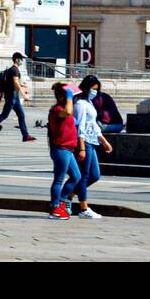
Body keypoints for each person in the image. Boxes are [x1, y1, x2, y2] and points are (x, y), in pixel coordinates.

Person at [69, 75, 113, 218]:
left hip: (92, 141)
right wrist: (81, 148)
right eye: (93, 89)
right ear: (87, 88)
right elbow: (80, 126)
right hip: (84, 142)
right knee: (84, 175)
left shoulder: (89, 102)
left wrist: (103, 141)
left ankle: (68, 195)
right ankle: (83, 208)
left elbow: (93, 124)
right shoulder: (80, 104)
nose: (95, 92)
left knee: (95, 175)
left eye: (97, 89)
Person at [46, 83, 83, 219]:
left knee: (76, 177)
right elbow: (67, 112)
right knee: (59, 179)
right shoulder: (57, 110)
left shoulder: (62, 108)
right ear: (61, 96)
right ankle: (55, 207)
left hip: (68, 149)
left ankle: (61, 201)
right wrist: (68, 96)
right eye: (71, 97)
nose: (73, 99)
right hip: (61, 149)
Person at [0, 52, 35, 142]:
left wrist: (1, 96)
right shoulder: (14, 70)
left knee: (21, 115)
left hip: (14, 97)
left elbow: (8, 84)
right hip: (12, 97)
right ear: (16, 59)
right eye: (21, 59)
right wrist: (24, 94)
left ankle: (25, 136)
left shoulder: (11, 70)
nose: (22, 61)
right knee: (4, 115)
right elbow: (15, 82)